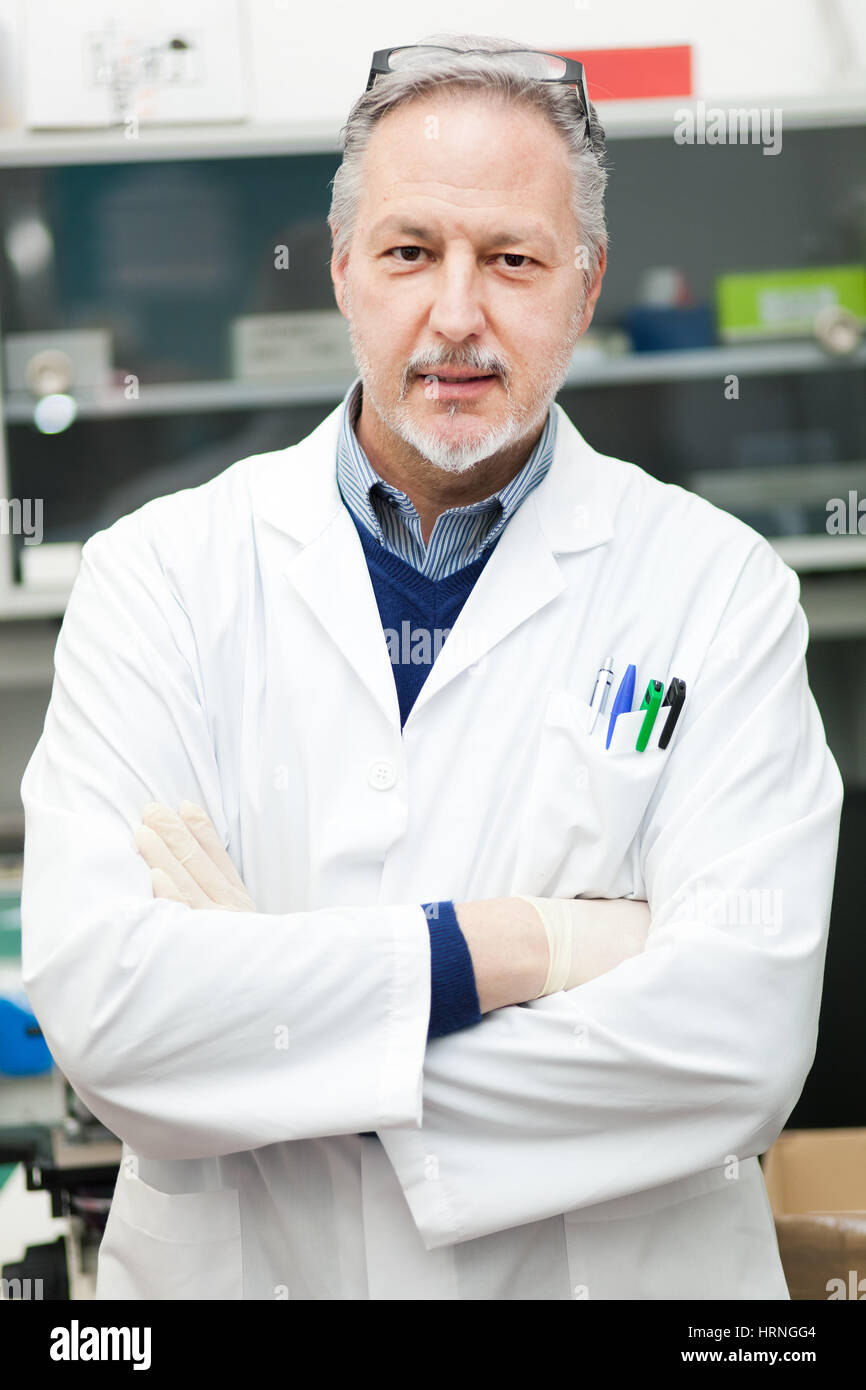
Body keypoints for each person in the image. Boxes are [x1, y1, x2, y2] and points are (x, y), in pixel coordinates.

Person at [19, 33, 842, 1301]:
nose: (456, 312)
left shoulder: (719, 593)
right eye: (410, 252)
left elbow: (731, 1046)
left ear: (584, 283)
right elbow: (112, 1021)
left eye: (511, 259)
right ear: (344, 271)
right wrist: (521, 948)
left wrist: (272, 1031)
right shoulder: (158, 578)